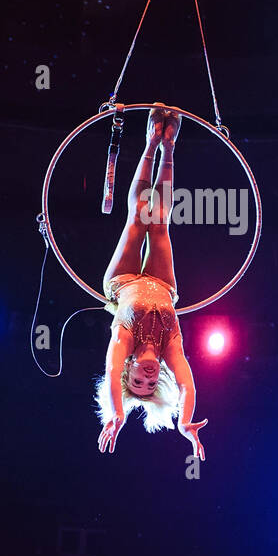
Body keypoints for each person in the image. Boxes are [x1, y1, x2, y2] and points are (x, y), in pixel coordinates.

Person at [95, 106, 208, 459]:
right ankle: (170, 146)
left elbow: (111, 371)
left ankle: (149, 143)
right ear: (158, 379)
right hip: (163, 285)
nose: (144, 377)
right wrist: (183, 421)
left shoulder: (123, 342)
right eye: (149, 384)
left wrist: (117, 414)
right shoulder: (170, 347)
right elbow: (187, 383)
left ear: (130, 372)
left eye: (136, 382)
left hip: (123, 281)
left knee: (138, 215)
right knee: (159, 219)